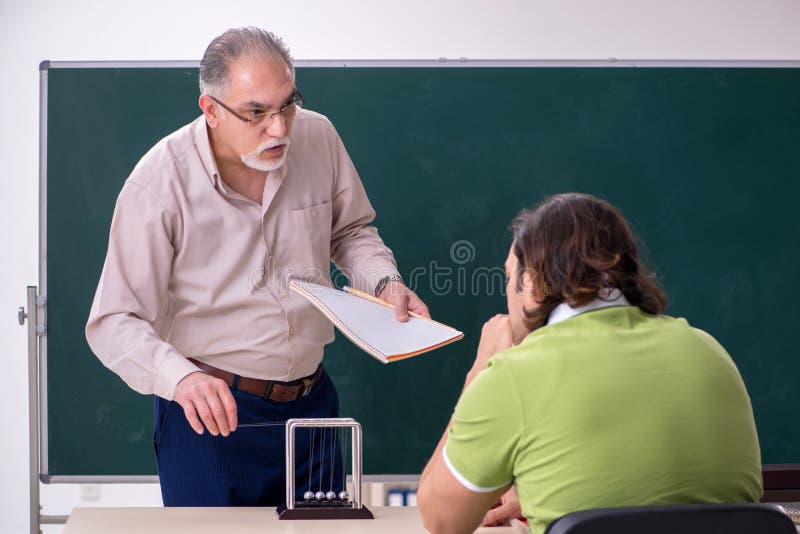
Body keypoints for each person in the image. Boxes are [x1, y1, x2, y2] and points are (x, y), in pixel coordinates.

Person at [85, 27, 429, 506]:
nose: (280, 128)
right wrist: (180, 379)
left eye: (288, 104)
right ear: (211, 111)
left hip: (314, 409)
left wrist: (386, 282)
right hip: (210, 415)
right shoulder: (159, 182)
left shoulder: (318, 135)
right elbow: (114, 321)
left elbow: (350, 232)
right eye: (256, 113)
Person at [417, 193, 762, 534]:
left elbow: (441, 520)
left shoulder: (515, 373)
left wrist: (480, 369)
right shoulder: (711, 353)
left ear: (533, 282)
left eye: (509, 277)